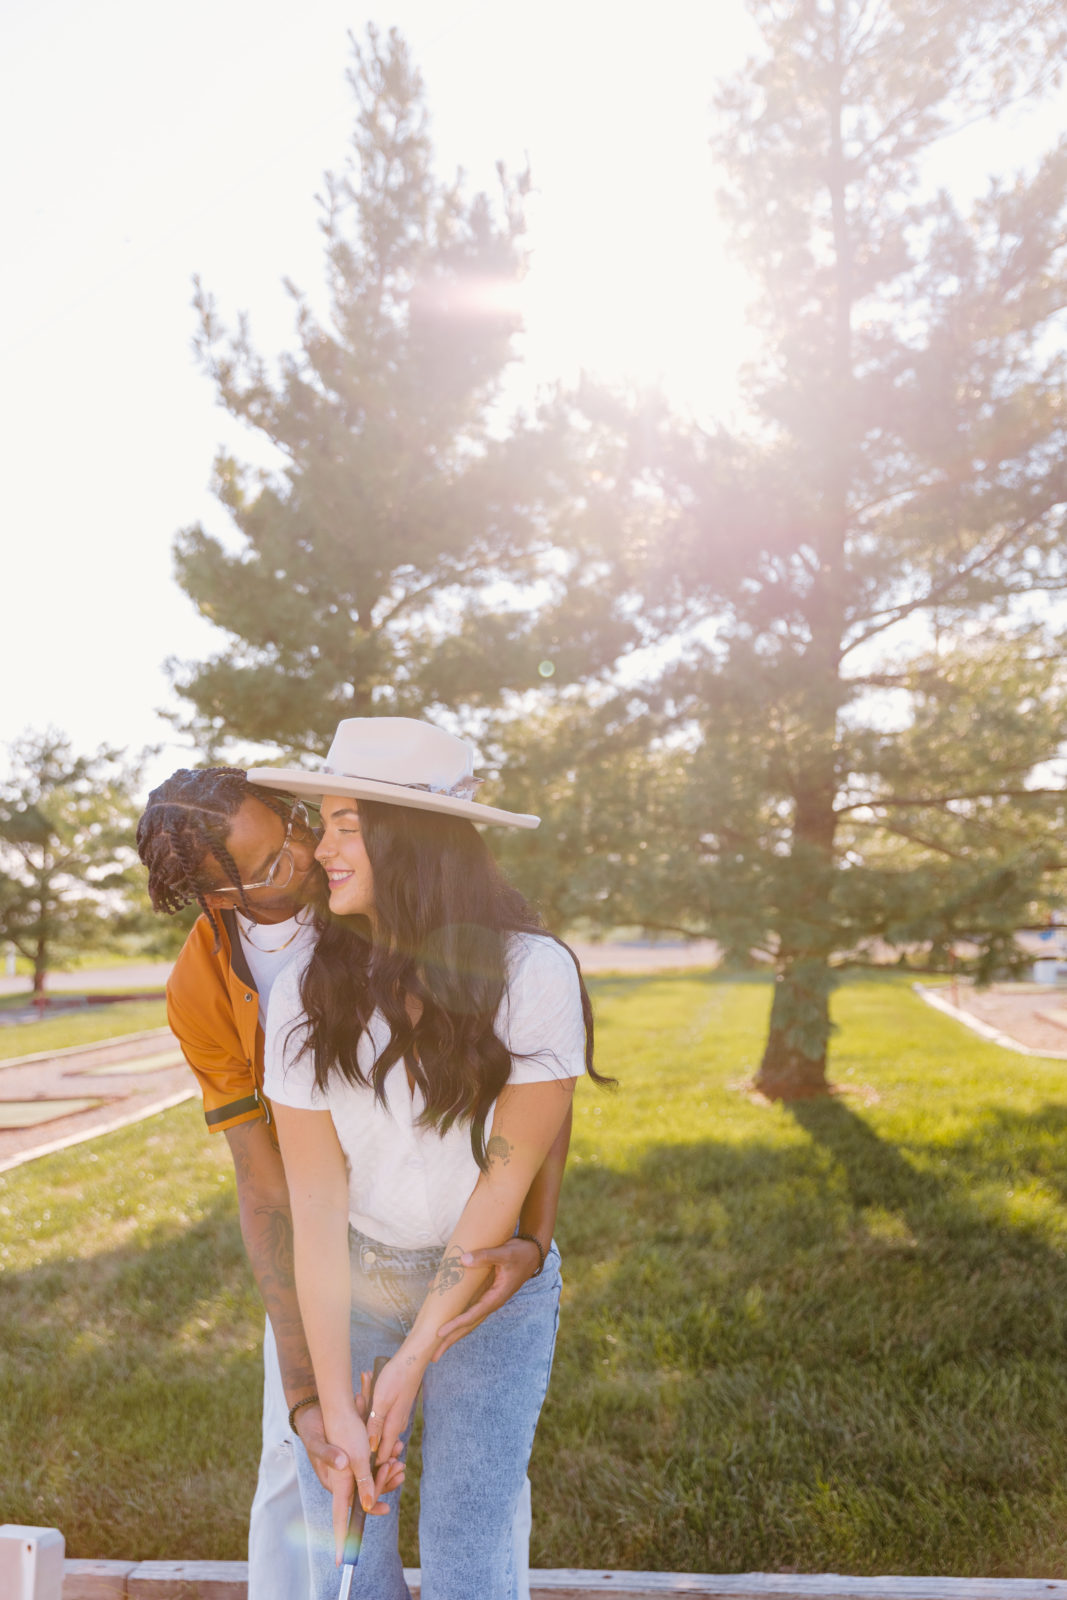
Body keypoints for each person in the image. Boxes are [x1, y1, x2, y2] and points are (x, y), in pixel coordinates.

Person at [136, 763, 565, 1600]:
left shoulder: (439, 928)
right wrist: (311, 1394)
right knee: (306, 1476)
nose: (302, 856)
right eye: (270, 865)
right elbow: (277, 1191)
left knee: (474, 1510)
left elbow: (534, 1116)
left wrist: (530, 1240)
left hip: (467, 1249)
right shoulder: (223, 985)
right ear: (219, 898)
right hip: (333, 1261)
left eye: (302, 825)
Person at [251, 717, 606, 1600]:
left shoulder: (534, 974)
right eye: (321, 820)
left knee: (466, 1555)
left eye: (343, 824)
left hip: (488, 1295)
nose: (318, 848)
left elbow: (503, 1188)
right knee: (349, 1545)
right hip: (355, 1284)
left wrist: (412, 1363)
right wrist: (334, 1404)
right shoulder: (303, 985)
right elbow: (316, 1206)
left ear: (408, 837)